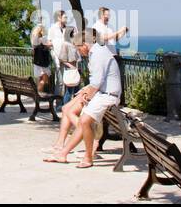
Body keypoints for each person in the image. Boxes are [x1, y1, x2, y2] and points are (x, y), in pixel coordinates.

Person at [44, 27, 122, 168]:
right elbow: (97, 82)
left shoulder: (98, 53)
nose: (79, 51)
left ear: (85, 44)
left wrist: (89, 94)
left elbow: (97, 82)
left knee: (84, 121)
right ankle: (66, 153)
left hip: (108, 95)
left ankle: (86, 156)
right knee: (82, 120)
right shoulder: (97, 51)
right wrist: (87, 93)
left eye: (78, 47)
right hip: (104, 93)